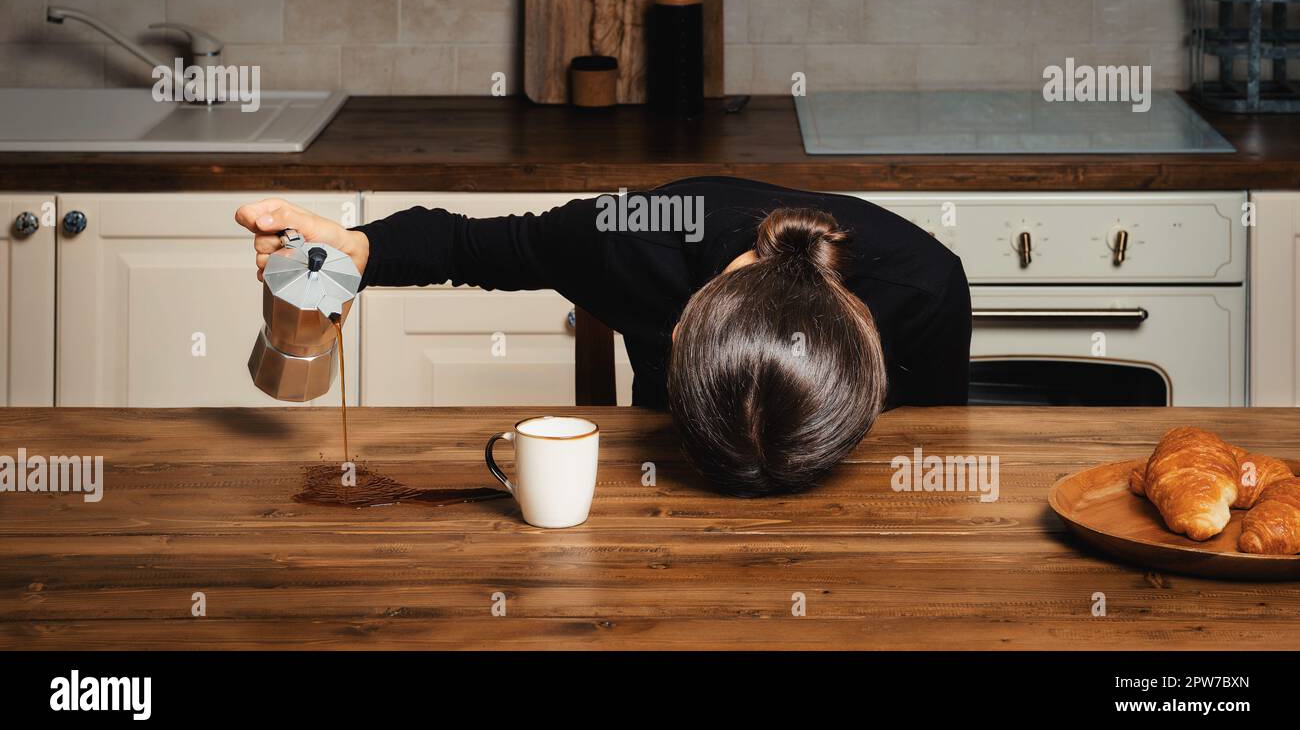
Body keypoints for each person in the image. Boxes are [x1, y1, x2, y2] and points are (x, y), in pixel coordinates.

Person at [235, 176, 971, 497]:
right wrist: (357, 248)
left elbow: (933, 453)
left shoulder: (924, 287)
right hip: (673, 482)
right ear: (677, 328)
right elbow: (467, 246)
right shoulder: (626, 242)